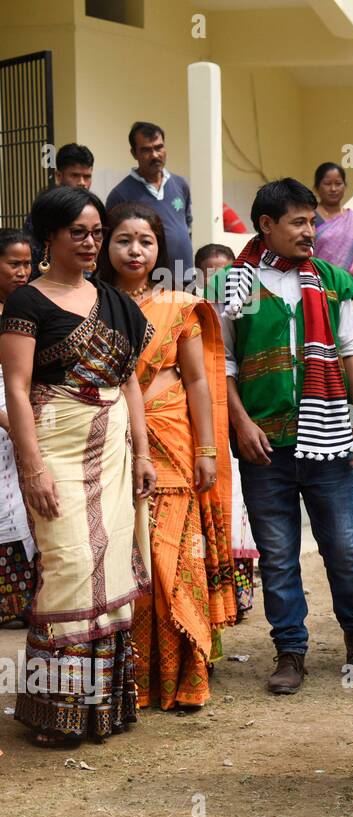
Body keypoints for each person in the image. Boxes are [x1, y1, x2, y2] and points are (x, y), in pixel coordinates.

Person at [209, 178, 353, 696]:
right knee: (278, 554)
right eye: (299, 222)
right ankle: (290, 651)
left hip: (328, 438)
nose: (311, 231)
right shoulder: (231, 287)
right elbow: (224, 363)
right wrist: (240, 421)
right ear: (266, 226)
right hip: (264, 444)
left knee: (345, 549)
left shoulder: (330, 280)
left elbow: (351, 347)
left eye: (312, 222)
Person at [1, 186, 154, 745]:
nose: (92, 243)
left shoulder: (116, 302)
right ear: (50, 237)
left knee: (110, 561)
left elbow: (129, 380)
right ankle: (56, 709)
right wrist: (32, 467)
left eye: (96, 232)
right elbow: (18, 389)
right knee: (68, 564)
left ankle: (102, 708)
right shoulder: (27, 302)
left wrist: (142, 451)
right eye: (79, 234)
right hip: (56, 446)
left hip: (113, 448)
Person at [98, 202, 239, 710]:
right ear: (104, 245)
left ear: (160, 248)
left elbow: (199, 380)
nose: (135, 250)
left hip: (175, 442)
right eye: (123, 240)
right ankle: (135, 678)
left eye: (146, 241)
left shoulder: (180, 306)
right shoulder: (90, 304)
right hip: (112, 443)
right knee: (127, 552)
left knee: (171, 556)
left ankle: (187, 672)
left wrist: (207, 449)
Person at [193, 243, 258, 616]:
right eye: (210, 272)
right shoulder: (192, 316)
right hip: (206, 430)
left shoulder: (246, 313)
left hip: (238, 423)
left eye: (226, 271)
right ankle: (210, 598)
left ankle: (239, 598)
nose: (219, 279)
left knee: (238, 511)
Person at [0, 229, 36, 633]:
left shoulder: (29, 306)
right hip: (7, 421)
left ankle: (25, 600)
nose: (22, 271)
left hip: (24, 418)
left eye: (27, 263)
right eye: (14, 263)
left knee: (25, 510)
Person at [106, 122, 194, 286]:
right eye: (146, 150)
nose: (155, 155)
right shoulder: (121, 194)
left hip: (186, 277)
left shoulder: (180, 184)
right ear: (134, 153)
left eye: (159, 147)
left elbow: (187, 226)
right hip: (149, 283)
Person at [25, 143, 95, 278]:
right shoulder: (45, 210)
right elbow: (33, 257)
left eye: (87, 176)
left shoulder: (92, 208)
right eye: (75, 175)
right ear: (58, 176)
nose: (82, 182)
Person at [312, 162, 353, 288]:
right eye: (327, 184)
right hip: (320, 287)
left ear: (345, 186)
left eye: (338, 183)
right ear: (316, 187)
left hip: (352, 290)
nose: (333, 189)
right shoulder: (310, 218)